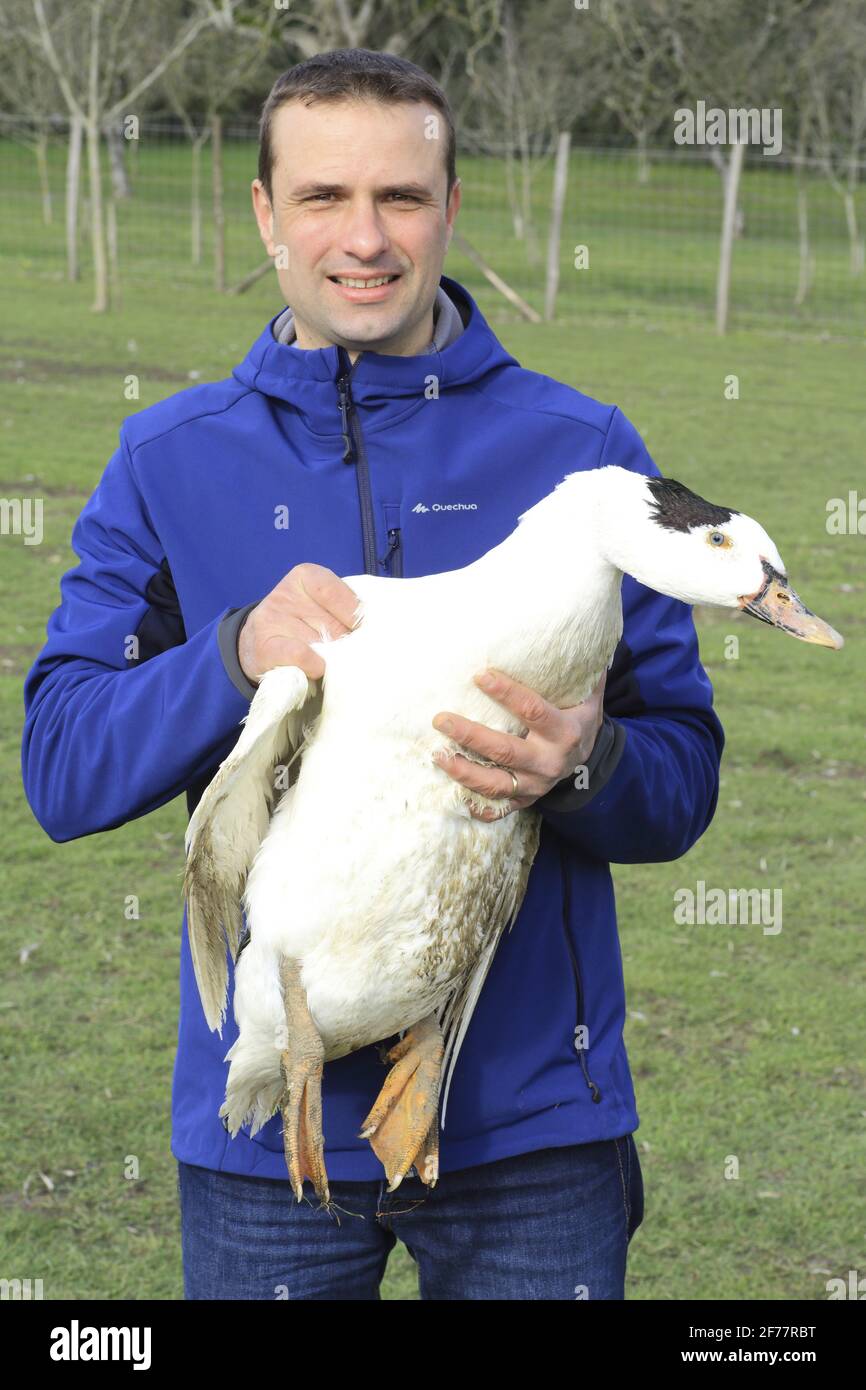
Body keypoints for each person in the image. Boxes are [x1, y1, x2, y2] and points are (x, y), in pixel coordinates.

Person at [21, 48, 724, 1301]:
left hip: (531, 1134)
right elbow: (65, 771)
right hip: (263, 1135)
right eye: (321, 197)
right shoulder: (166, 459)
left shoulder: (582, 455)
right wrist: (231, 655)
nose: (365, 237)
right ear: (263, 214)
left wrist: (586, 762)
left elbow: (678, 782)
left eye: (401, 197)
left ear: (451, 208)